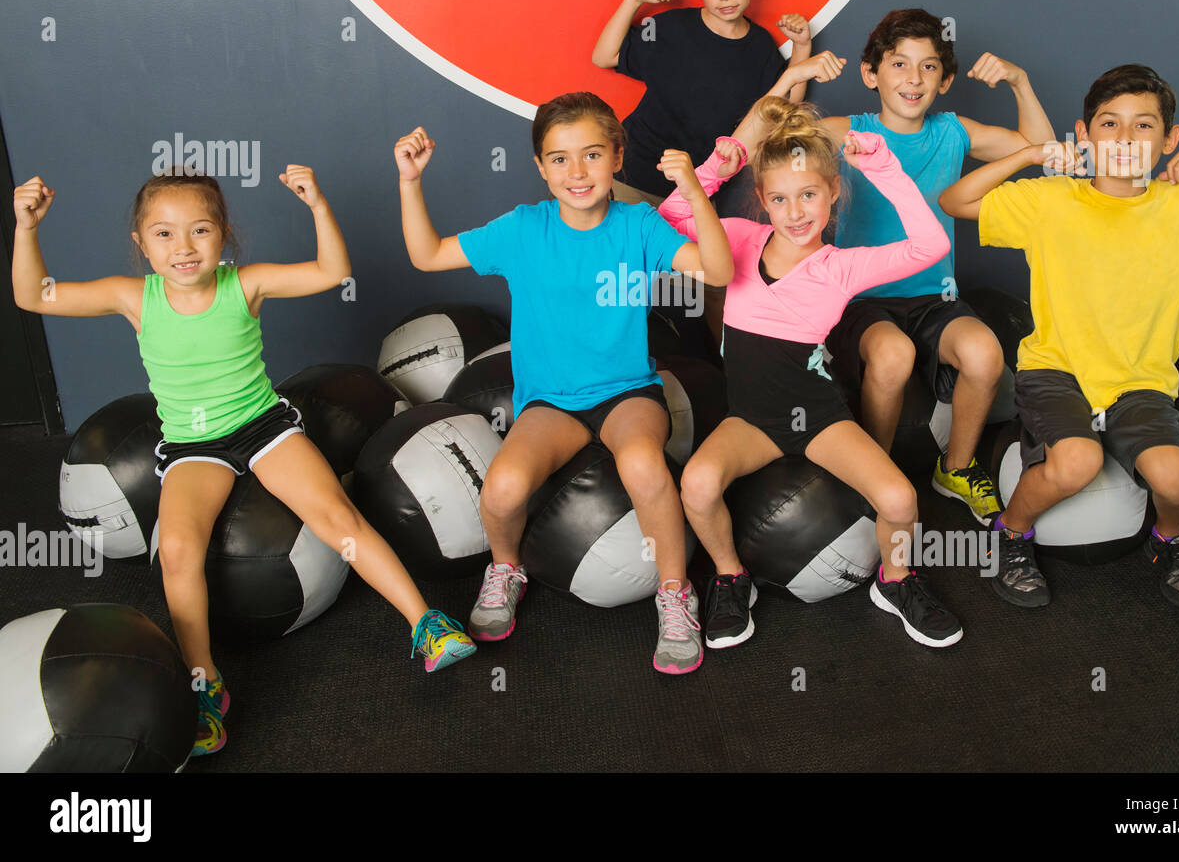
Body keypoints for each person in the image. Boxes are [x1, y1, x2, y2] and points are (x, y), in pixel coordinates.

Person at [11, 166, 475, 759]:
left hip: (263, 429)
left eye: (200, 230)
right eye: (164, 234)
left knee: (339, 519)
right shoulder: (134, 297)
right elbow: (34, 294)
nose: (183, 248)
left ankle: (425, 624)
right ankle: (205, 683)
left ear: (224, 234)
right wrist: (26, 228)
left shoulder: (244, 284)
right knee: (178, 550)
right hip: (192, 448)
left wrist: (317, 205)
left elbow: (333, 271)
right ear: (140, 243)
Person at [394, 91, 732, 673]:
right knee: (500, 489)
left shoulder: (639, 225)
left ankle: (675, 594)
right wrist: (410, 182)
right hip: (550, 402)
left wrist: (697, 193)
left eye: (592, 155)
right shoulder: (523, 229)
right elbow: (426, 256)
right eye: (559, 159)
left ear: (618, 157)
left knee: (644, 466)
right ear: (540, 166)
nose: (577, 173)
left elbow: (720, 270)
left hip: (627, 392)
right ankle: (505, 569)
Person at [938, 63, 1179, 608]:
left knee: (1176, 481)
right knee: (1075, 461)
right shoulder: (1051, 200)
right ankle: (1011, 532)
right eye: (1109, 124)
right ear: (1083, 135)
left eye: (1144, 126)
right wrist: (1030, 156)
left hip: (1141, 379)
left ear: (1170, 140)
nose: (1125, 139)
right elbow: (955, 202)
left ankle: (1170, 538)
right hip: (1058, 370)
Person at [659, 97, 964, 649]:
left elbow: (932, 243)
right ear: (762, 202)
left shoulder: (841, 267)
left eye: (808, 195)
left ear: (832, 194)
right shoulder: (738, 239)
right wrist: (713, 171)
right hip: (750, 418)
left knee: (899, 500)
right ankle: (731, 576)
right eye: (779, 198)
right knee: (698, 485)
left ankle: (895, 581)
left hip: (821, 417)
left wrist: (881, 166)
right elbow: (671, 219)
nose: (795, 211)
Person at [745, 9, 1055, 526]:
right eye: (898, 64)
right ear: (872, 74)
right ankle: (876, 469)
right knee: (893, 356)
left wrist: (1020, 84)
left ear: (945, 80)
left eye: (929, 67)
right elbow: (762, 144)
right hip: (862, 298)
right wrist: (794, 75)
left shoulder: (956, 132)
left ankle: (954, 468)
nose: (913, 79)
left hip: (935, 297)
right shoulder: (848, 133)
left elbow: (1040, 153)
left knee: (984, 353)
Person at [592, 0, 813, 211]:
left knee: (686, 257)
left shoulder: (760, 47)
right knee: (625, 255)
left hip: (697, 191)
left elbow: (789, 101)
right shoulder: (671, 28)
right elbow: (604, 56)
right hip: (634, 176)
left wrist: (802, 45)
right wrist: (633, 0)